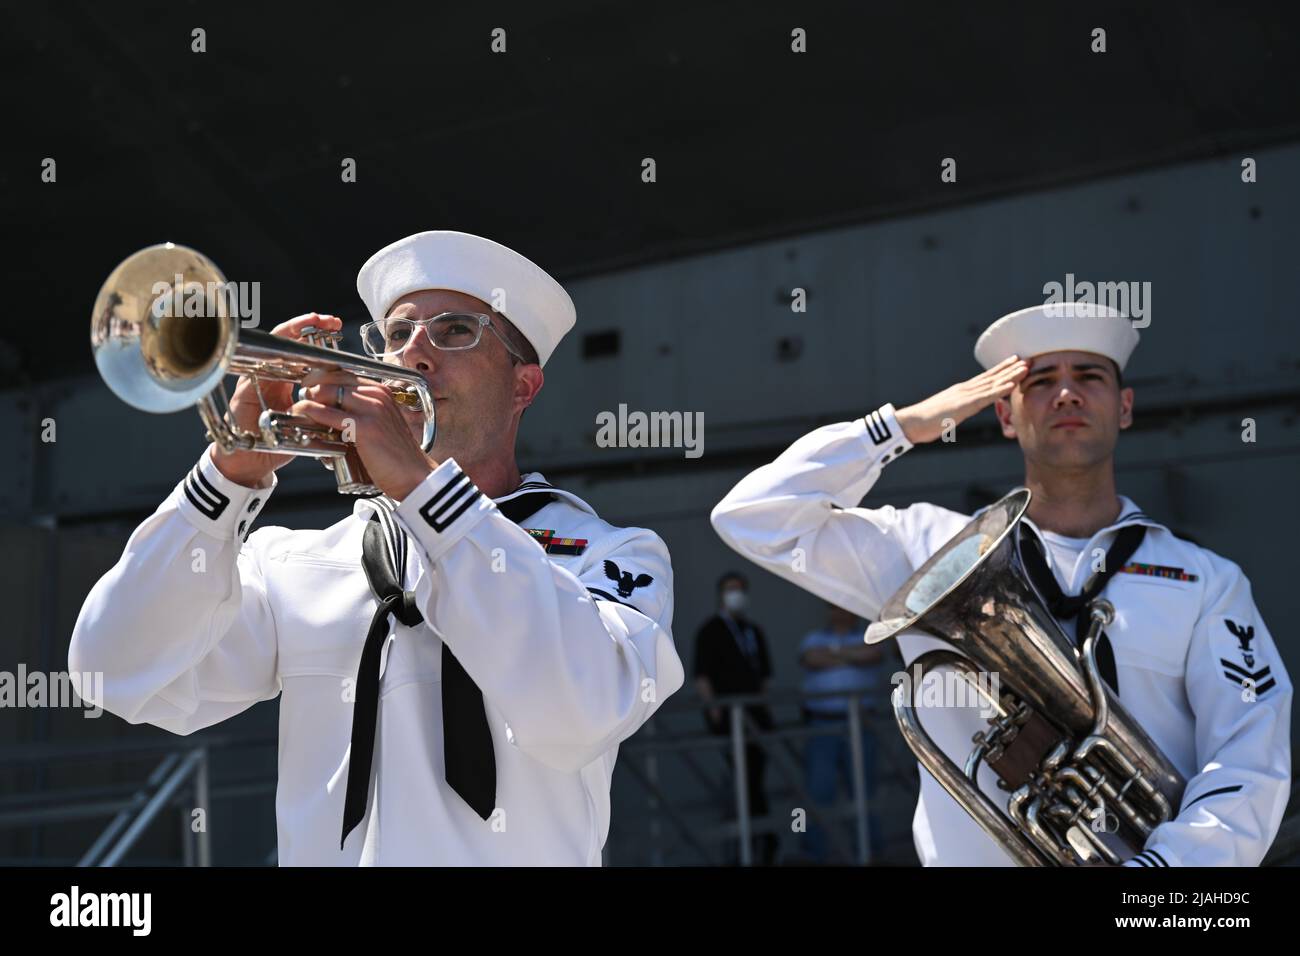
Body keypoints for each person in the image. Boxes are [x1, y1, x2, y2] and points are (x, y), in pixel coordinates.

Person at [70, 230, 684, 865]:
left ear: (524, 386)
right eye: (396, 335)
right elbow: (112, 671)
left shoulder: (611, 554)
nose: (412, 355)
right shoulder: (294, 564)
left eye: (453, 332)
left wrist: (426, 491)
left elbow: (580, 711)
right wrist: (225, 478)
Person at [712, 304, 1292, 866]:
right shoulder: (925, 547)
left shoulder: (1205, 581)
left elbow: (1249, 759)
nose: (1066, 394)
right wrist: (903, 426)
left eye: (1089, 376)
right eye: (1040, 382)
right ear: (1006, 415)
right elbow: (751, 517)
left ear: (1125, 408)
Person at [693, 571, 777, 864]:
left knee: (755, 779)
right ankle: (750, 845)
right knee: (739, 783)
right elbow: (702, 675)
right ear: (720, 594)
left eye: (740, 589)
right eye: (731, 589)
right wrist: (714, 709)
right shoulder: (710, 630)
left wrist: (763, 707)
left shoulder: (753, 630)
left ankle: (762, 842)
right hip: (729, 721)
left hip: (756, 720)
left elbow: (765, 675)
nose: (736, 594)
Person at [799, 603, 890, 862]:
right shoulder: (814, 638)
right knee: (819, 792)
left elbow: (873, 654)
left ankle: (869, 853)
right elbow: (811, 658)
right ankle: (814, 855)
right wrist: (851, 656)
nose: (838, 613)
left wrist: (834, 655)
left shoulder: (868, 636)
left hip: (861, 726)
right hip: (822, 725)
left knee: (863, 791)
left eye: (843, 608)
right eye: (832, 608)